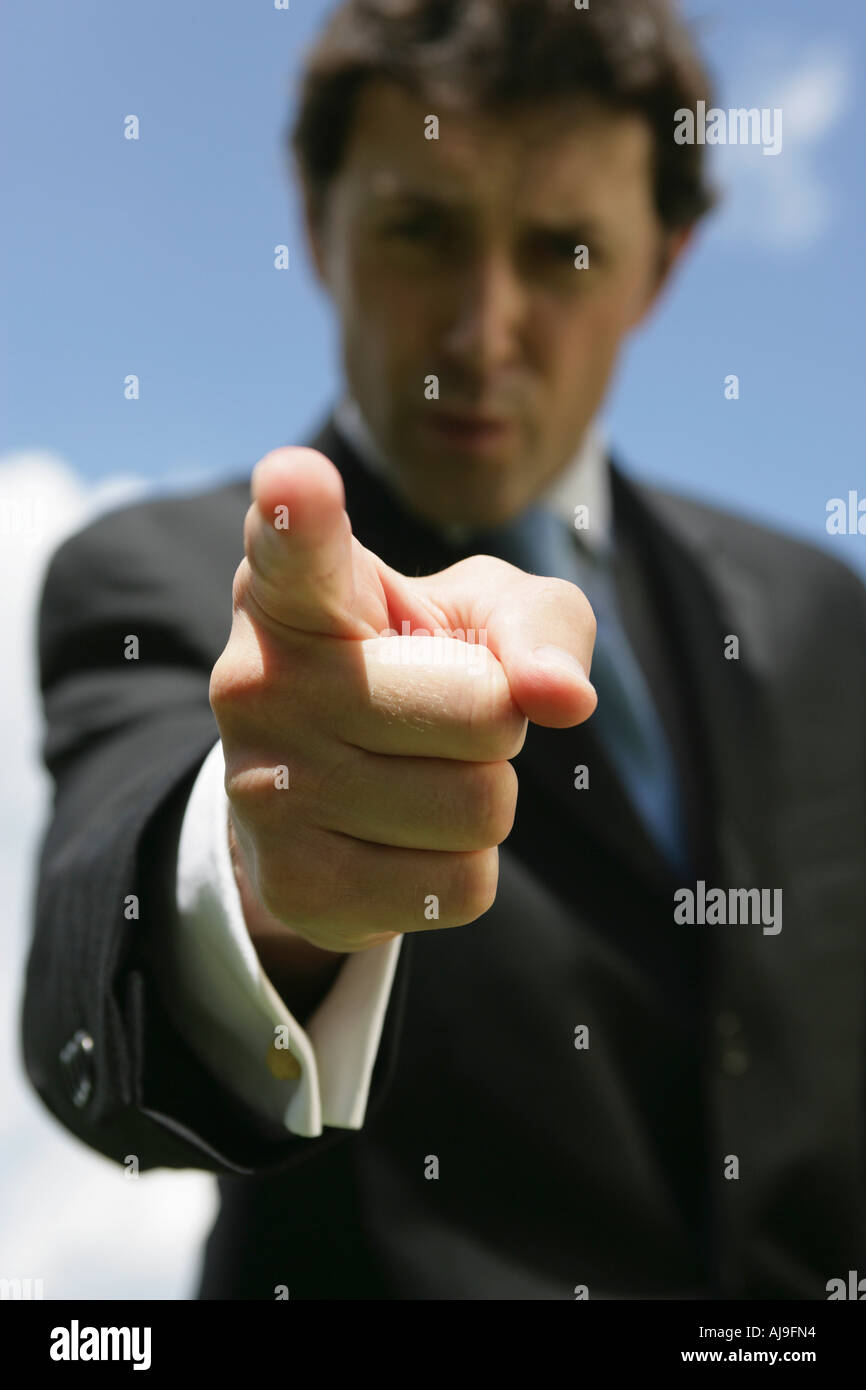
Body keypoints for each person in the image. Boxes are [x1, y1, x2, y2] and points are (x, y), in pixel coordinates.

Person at [22, 0, 866, 1300]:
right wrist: (258, 878)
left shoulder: (822, 615)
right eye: (421, 228)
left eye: (564, 249)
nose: (480, 336)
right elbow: (105, 971)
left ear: (663, 266)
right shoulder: (159, 576)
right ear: (317, 226)